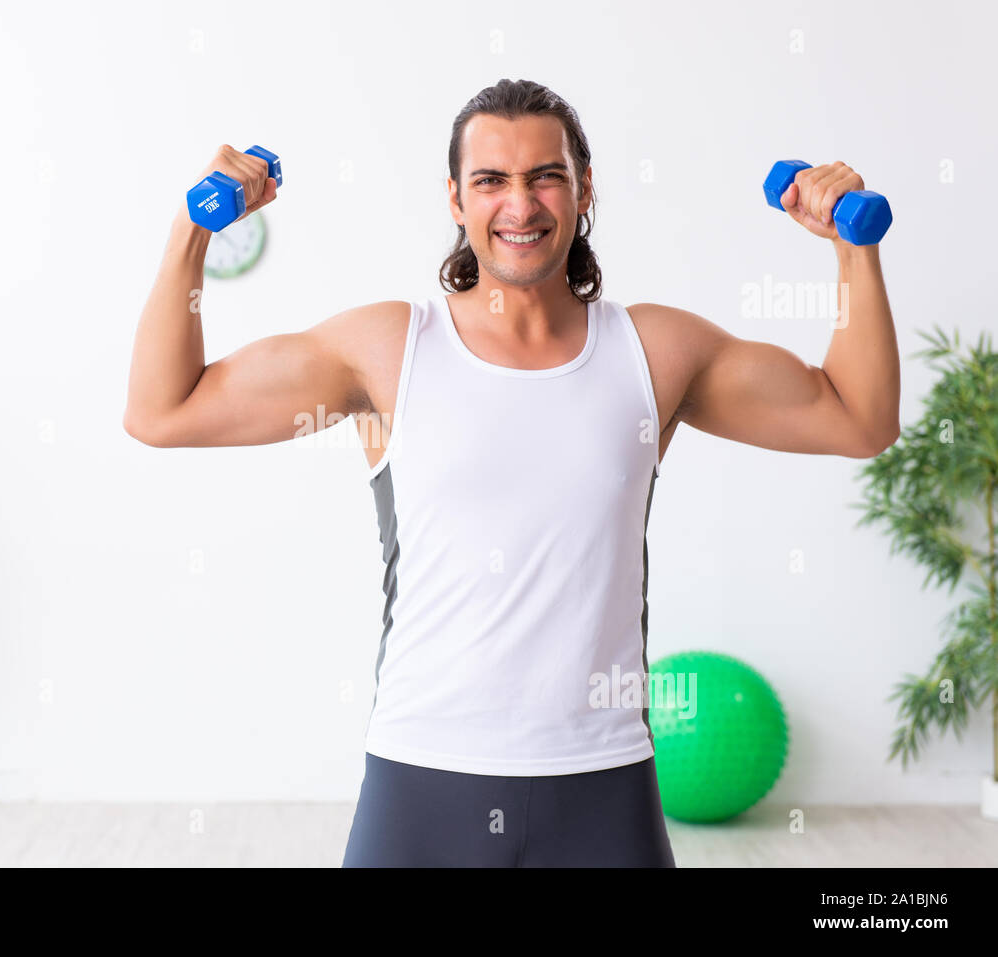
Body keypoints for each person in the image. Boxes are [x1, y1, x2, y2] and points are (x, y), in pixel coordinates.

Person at [123, 78, 900, 867]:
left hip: (603, 787)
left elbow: (857, 417)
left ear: (584, 189)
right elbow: (164, 410)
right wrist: (192, 231)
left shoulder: (655, 352)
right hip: (421, 785)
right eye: (492, 180)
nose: (520, 205)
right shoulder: (390, 350)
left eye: (545, 177)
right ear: (456, 200)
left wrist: (853, 248)